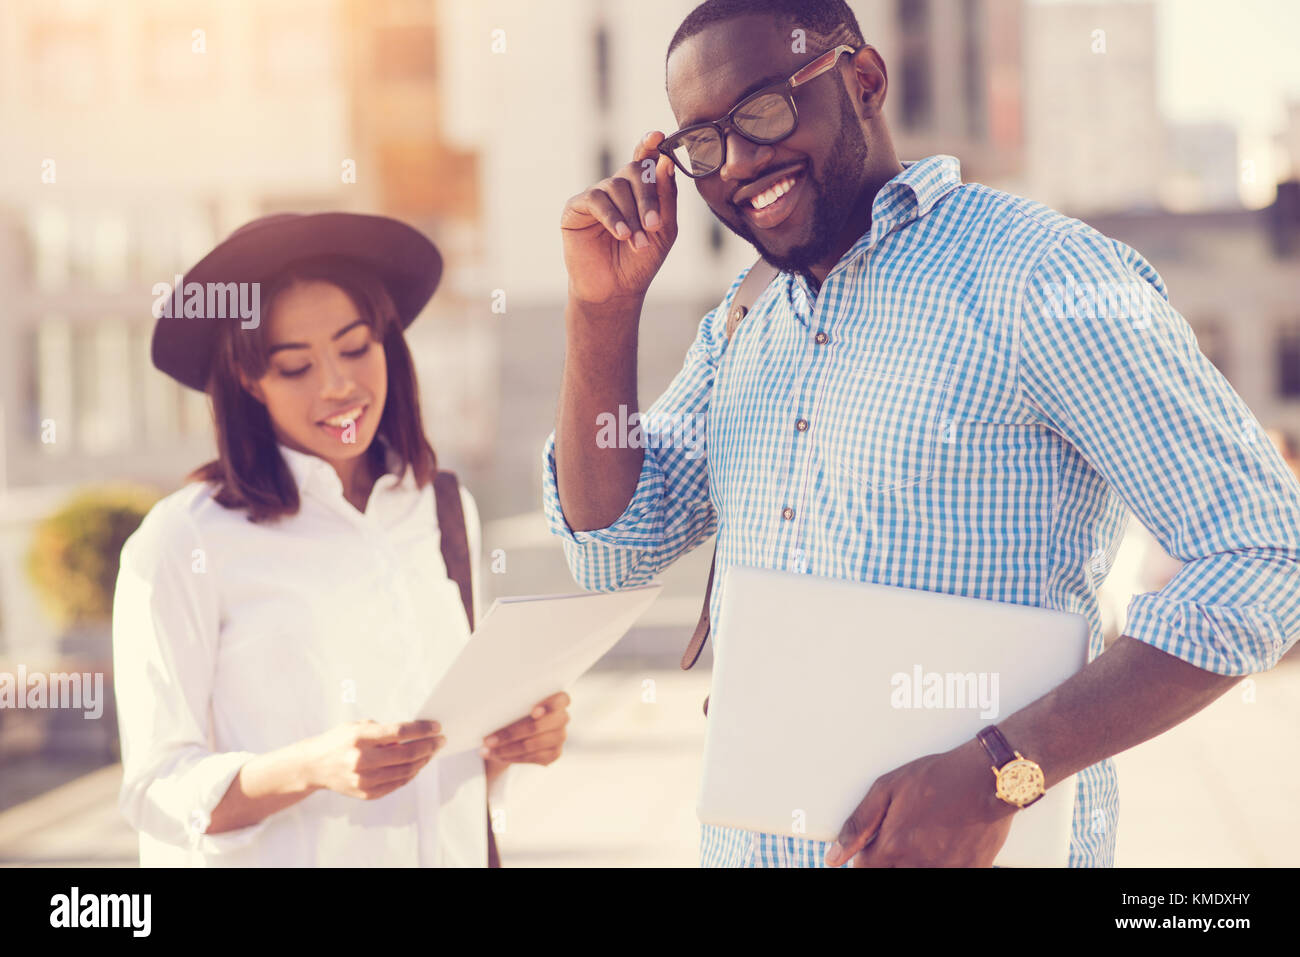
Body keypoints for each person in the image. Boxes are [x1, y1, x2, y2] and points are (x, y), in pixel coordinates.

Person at [544, 0, 1300, 867]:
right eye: (704, 141)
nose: (740, 162)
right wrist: (603, 310)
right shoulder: (744, 322)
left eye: (762, 111)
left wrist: (1002, 771)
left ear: (863, 79)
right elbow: (609, 547)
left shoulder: (1040, 273)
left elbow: (1266, 550)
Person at [114, 212, 570, 866]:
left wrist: (512, 742)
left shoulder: (442, 509)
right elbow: (155, 790)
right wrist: (309, 766)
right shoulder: (183, 541)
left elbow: (457, 771)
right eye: (295, 365)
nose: (337, 385)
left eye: (355, 348)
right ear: (249, 380)